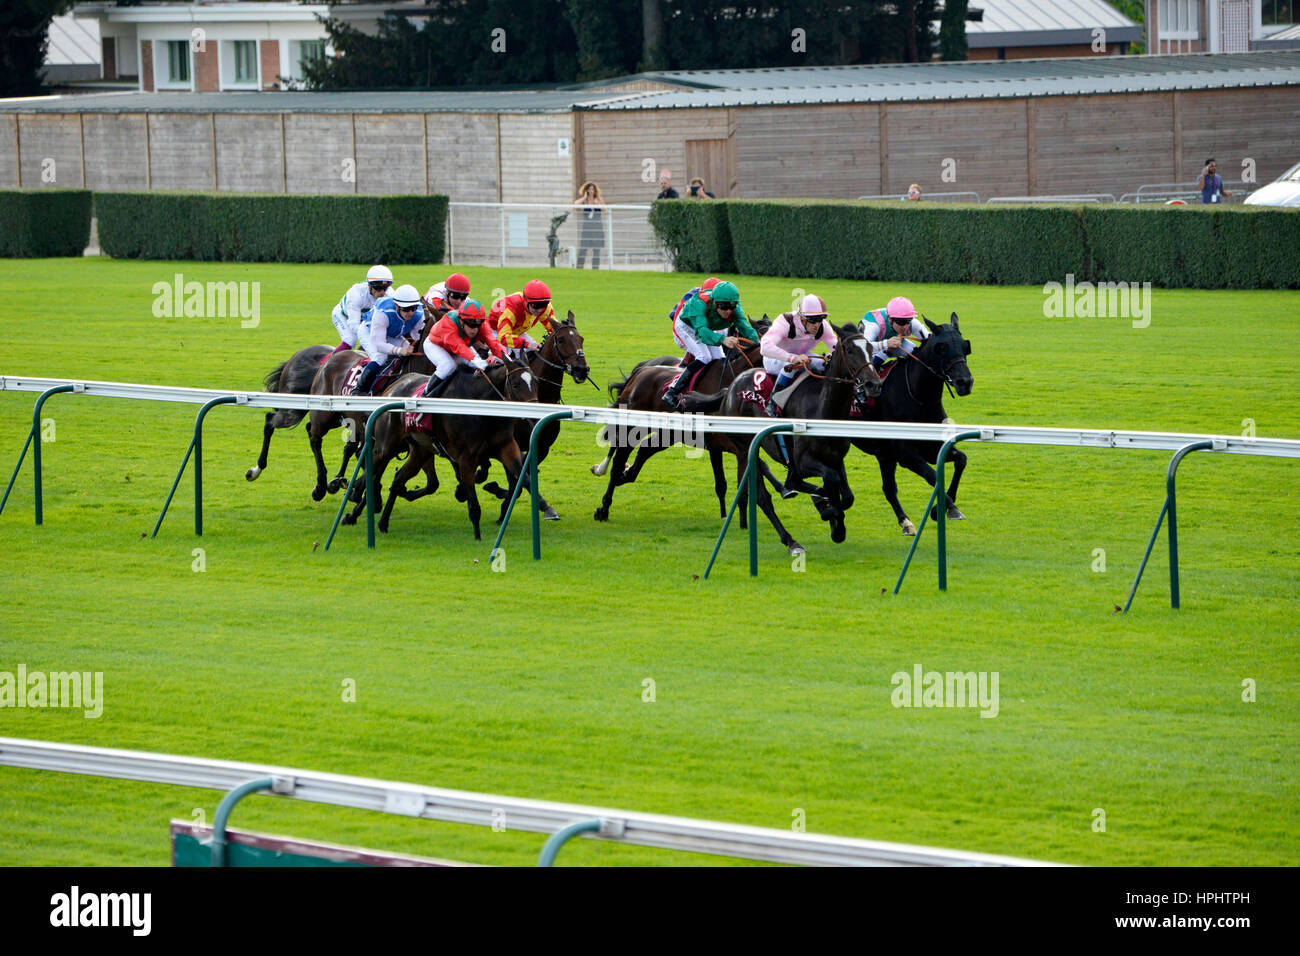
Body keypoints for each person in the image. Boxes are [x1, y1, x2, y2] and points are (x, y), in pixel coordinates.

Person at [663, 279, 758, 409]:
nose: (728, 311)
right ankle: (672, 391)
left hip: (707, 327)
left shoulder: (734, 309)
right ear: (714, 303)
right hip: (688, 326)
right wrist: (723, 340)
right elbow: (702, 331)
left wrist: (759, 344)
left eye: (732, 306)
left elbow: (744, 327)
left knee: (720, 358)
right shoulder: (700, 303)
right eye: (724, 307)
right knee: (704, 357)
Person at [759, 294, 839, 416]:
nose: (817, 325)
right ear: (802, 318)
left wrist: (832, 355)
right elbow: (765, 347)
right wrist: (792, 358)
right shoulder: (785, 321)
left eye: (820, 319)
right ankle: (773, 404)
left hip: (802, 356)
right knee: (793, 364)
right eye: (812, 320)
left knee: (824, 364)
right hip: (774, 358)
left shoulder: (823, 326)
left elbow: (836, 347)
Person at [422, 299, 505, 397]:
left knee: (478, 368)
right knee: (448, 366)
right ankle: (425, 395)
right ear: (461, 320)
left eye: (478, 325)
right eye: (471, 324)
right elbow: (458, 346)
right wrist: (474, 359)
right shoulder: (449, 323)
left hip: (460, 347)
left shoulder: (482, 325)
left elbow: (493, 343)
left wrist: (507, 360)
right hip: (435, 345)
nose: (474, 329)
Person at [355, 284, 424, 396]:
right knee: (380, 357)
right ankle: (359, 390)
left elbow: (416, 336)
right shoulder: (384, 311)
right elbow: (379, 344)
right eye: (406, 309)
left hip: (392, 335)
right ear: (397, 306)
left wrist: (413, 345)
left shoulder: (419, 314)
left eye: (414, 308)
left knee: (410, 354)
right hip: (369, 331)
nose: (411, 313)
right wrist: (399, 350)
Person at [328, 265, 393, 357]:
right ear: (369, 285)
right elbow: (354, 325)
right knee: (350, 340)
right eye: (378, 288)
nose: (382, 292)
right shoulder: (356, 295)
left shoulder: (390, 294)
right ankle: (327, 363)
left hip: (364, 319)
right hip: (344, 316)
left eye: (385, 288)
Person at [487, 280, 556, 361]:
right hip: (496, 332)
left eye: (543, 305)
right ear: (526, 301)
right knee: (504, 361)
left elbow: (554, 329)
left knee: (538, 355)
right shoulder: (511, 307)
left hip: (517, 332)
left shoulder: (545, 307)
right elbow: (503, 337)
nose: (540, 310)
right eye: (536, 306)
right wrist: (526, 344)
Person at [862, 296, 929, 369]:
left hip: (896, 344)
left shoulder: (914, 323)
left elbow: (930, 339)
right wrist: (886, 344)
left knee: (919, 356)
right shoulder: (874, 325)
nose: (905, 326)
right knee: (870, 369)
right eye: (901, 322)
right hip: (868, 351)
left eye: (909, 321)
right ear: (890, 320)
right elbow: (862, 347)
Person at [575, 181, 606, 269]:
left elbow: (604, 209)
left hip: (597, 227)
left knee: (596, 250)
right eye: (589, 189)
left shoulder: (599, 199)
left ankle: (595, 268)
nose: (591, 191)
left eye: (593, 189)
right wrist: (585, 197)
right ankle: (579, 268)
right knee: (583, 248)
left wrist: (598, 204)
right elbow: (576, 204)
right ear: (586, 190)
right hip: (587, 227)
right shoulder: (584, 200)